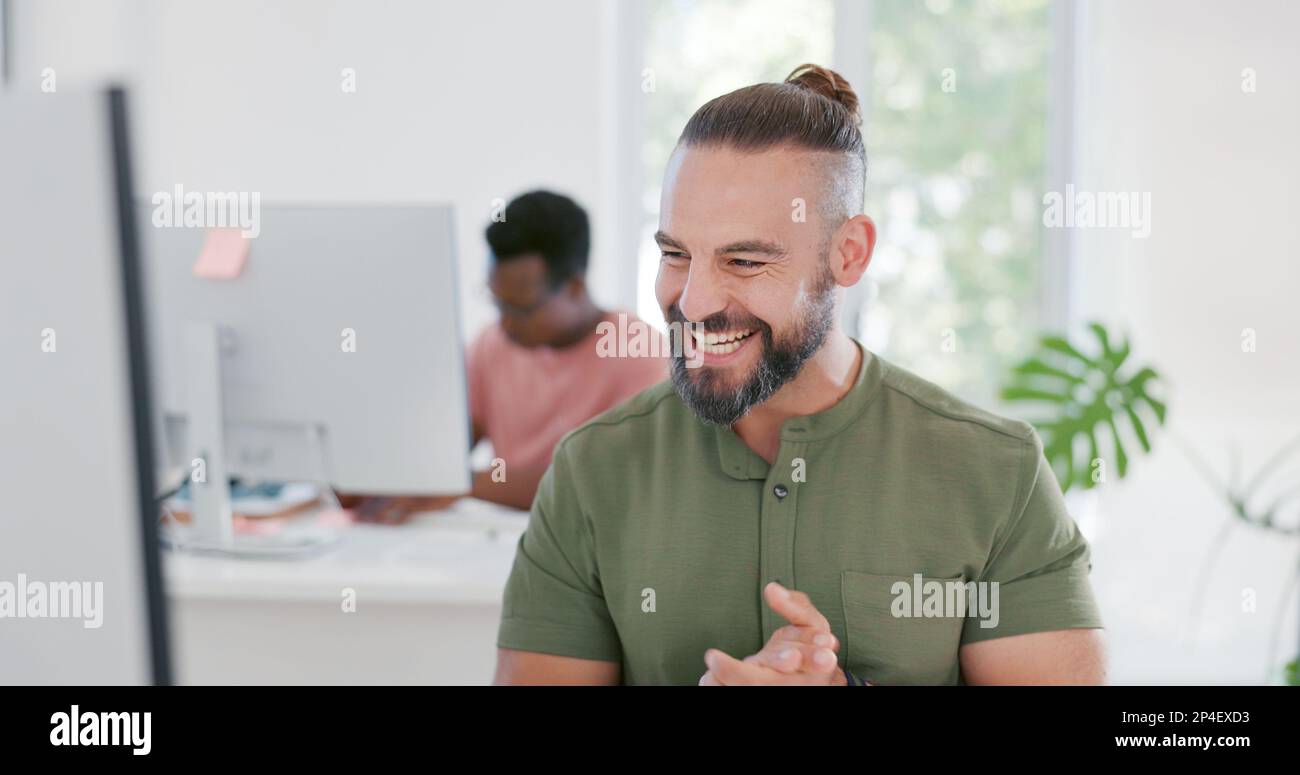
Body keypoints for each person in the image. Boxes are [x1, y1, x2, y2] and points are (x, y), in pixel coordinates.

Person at [493, 65, 1106, 685]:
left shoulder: (997, 472)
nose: (696, 301)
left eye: (745, 260)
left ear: (849, 254)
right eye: (676, 254)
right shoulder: (593, 471)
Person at [351, 190, 667, 521]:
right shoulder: (492, 345)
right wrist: (380, 475)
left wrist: (461, 483)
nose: (505, 323)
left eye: (521, 308)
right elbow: (443, 449)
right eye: (498, 303)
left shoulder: (640, 354)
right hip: (500, 540)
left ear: (575, 287)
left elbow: (599, 484)